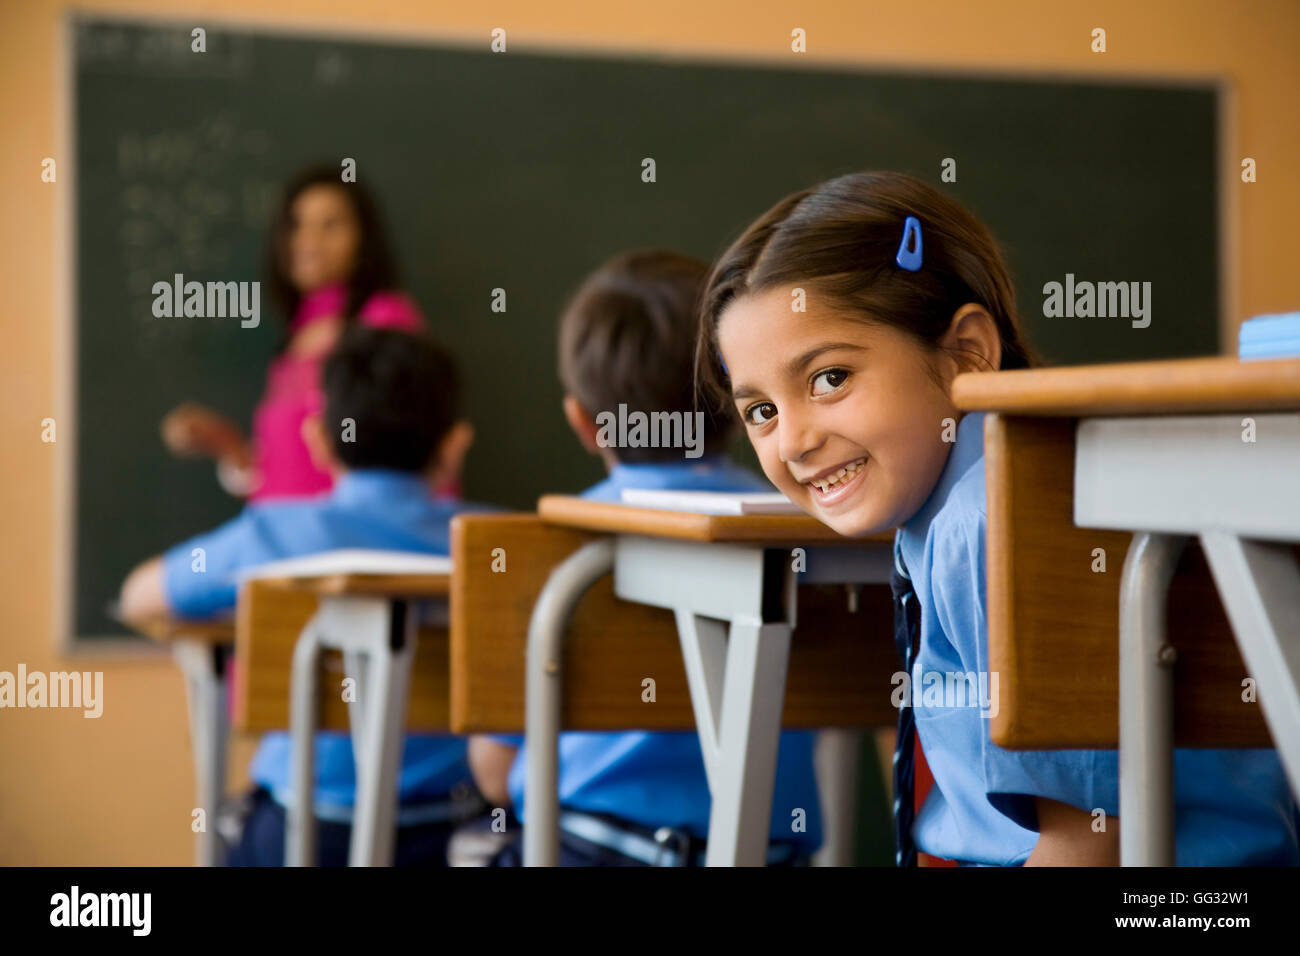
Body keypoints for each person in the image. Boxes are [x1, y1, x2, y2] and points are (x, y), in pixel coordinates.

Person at [698, 169, 1300, 866]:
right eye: (761, 412)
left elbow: (1087, 840)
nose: (794, 439)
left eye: (830, 378)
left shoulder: (984, 529)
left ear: (967, 353)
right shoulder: (977, 498)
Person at [469, 249, 823, 866]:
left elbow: (494, 773)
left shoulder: (539, 551)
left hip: (583, 848)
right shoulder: (819, 533)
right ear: (739, 406)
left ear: (583, 422)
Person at [121, 327, 483, 865]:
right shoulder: (494, 546)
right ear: (454, 443)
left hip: (305, 835)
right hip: (456, 835)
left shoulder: (274, 536)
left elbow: (140, 597)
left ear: (317, 439)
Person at [160, 166, 431, 501]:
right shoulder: (293, 340)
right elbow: (278, 479)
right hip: (285, 540)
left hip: (346, 543)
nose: (308, 240)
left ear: (364, 238)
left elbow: (408, 460)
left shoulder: (385, 321)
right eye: (296, 225)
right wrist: (227, 444)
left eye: (330, 224)